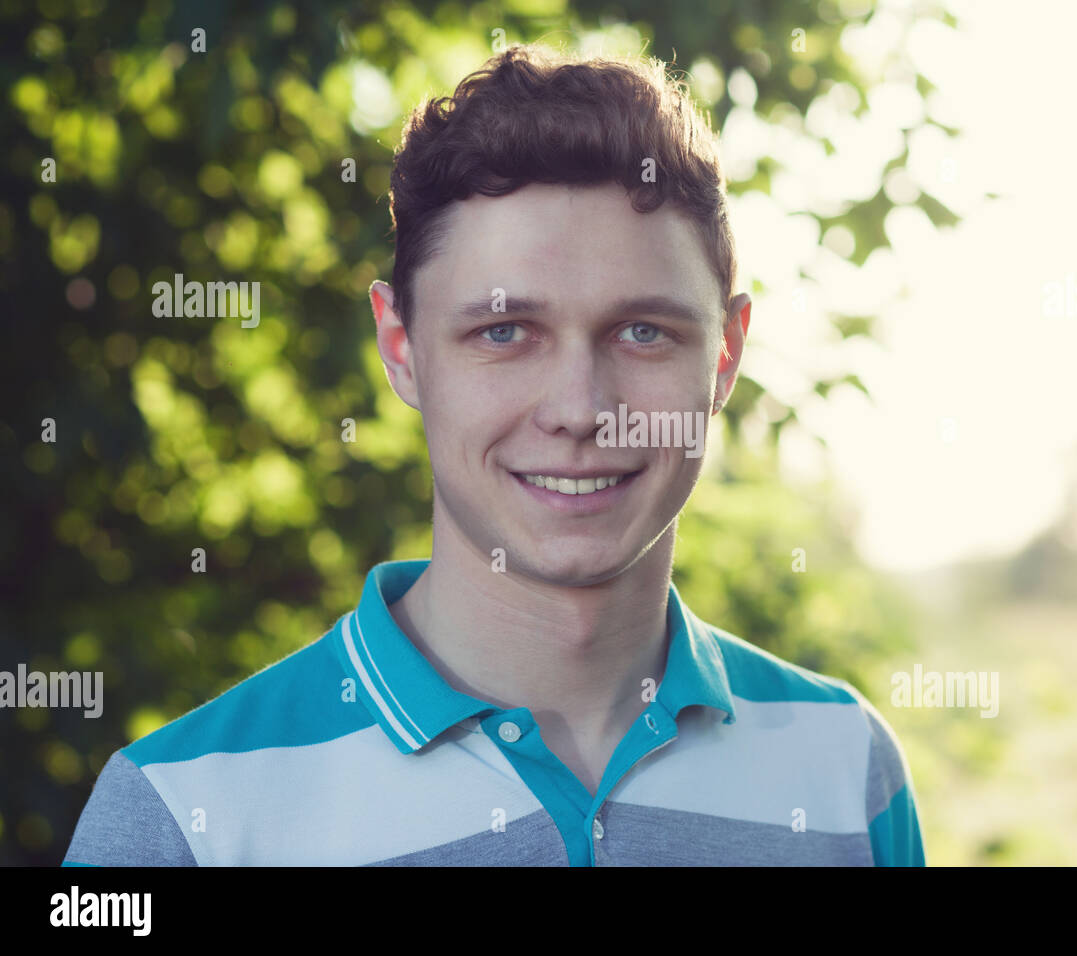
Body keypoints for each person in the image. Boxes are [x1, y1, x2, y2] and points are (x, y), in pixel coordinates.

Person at [63, 43, 925, 866]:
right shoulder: (180, 815)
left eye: (643, 331)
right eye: (504, 331)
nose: (582, 411)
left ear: (726, 354)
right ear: (401, 348)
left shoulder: (848, 770)